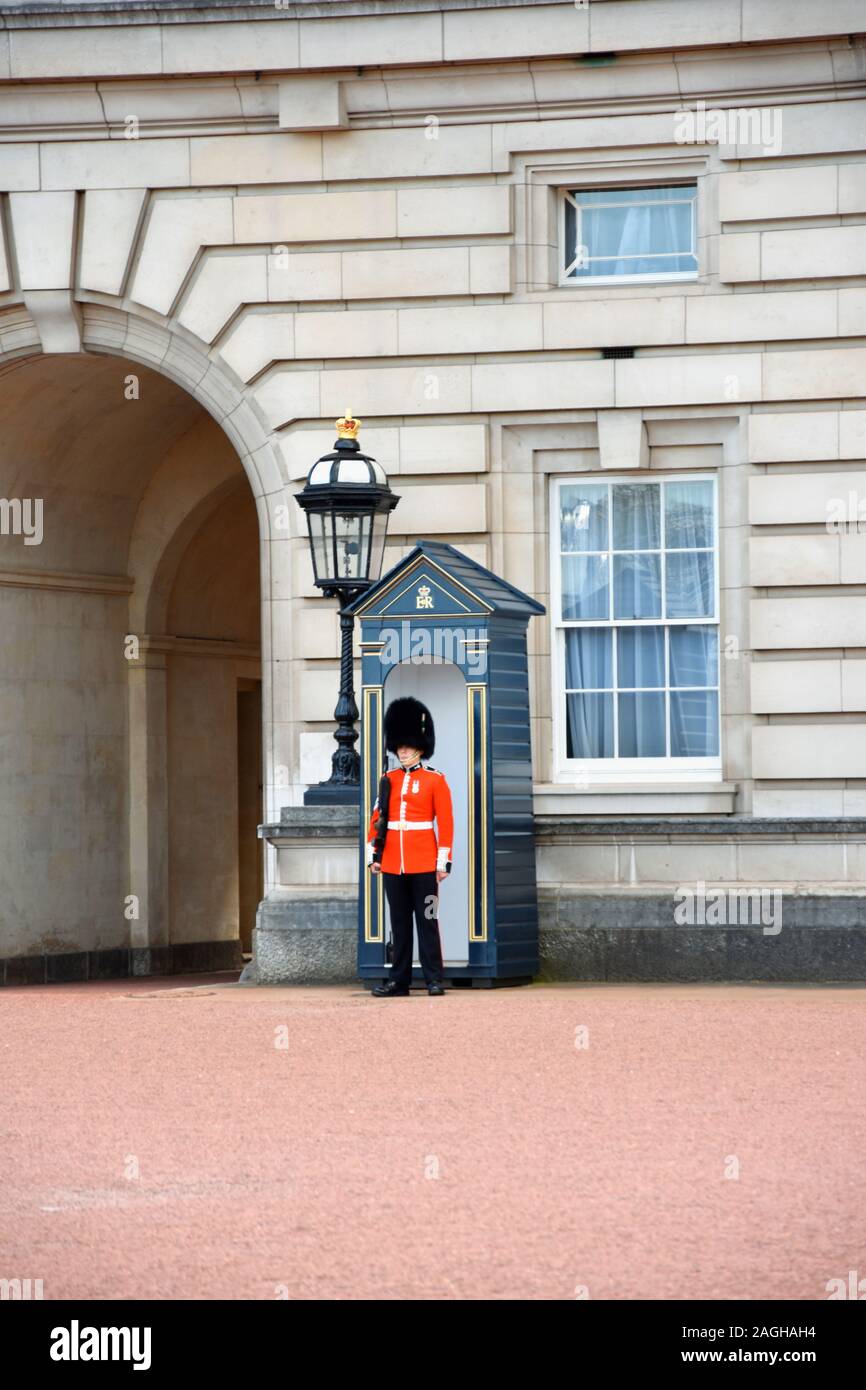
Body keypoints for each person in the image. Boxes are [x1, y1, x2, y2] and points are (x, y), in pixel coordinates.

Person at [366, 696, 453, 997]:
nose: (402, 750)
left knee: (428, 920)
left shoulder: (435, 781)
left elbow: (446, 823)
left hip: (425, 862)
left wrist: (443, 862)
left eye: (408, 745)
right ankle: (399, 980)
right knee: (399, 924)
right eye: (399, 746)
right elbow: (376, 820)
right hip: (393, 862)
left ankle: (433, 978)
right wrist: (373, 857)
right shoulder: (387, 780)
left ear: (420, 746)